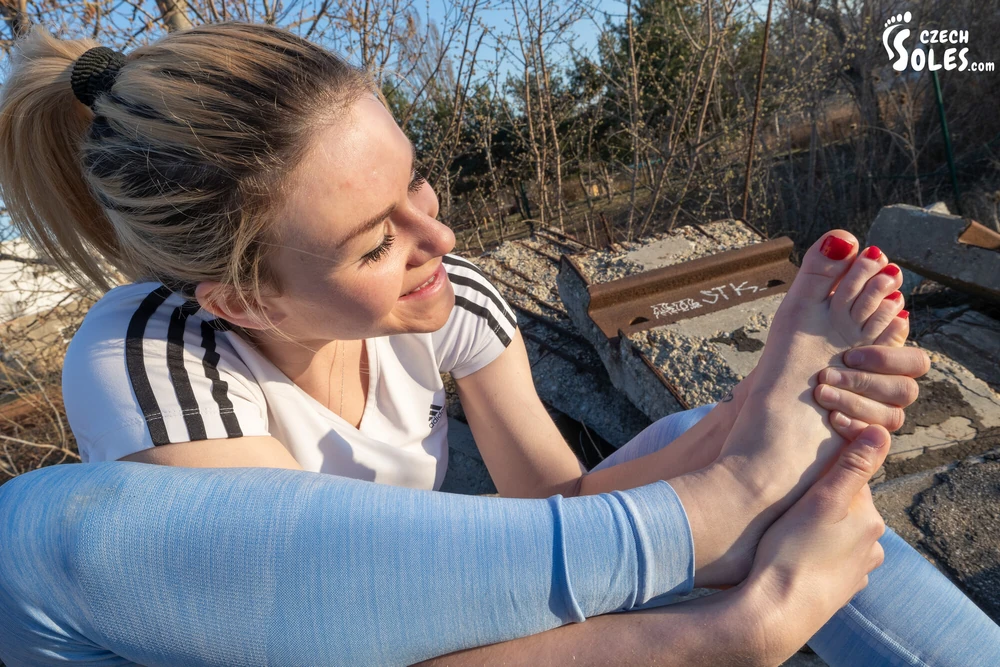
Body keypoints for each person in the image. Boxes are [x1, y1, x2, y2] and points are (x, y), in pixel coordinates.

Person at [0, 21, 996, 666]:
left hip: (466, 595)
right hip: (346, 645)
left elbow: (558, 507)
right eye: (375, 239)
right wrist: (730, 629)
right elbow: (328, 642)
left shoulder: (450, 299)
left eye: (415, 182)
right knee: (758, 525)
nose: (436, 238)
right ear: (246, 301)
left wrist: (749, 418)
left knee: (768, 471)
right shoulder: (152, 356)